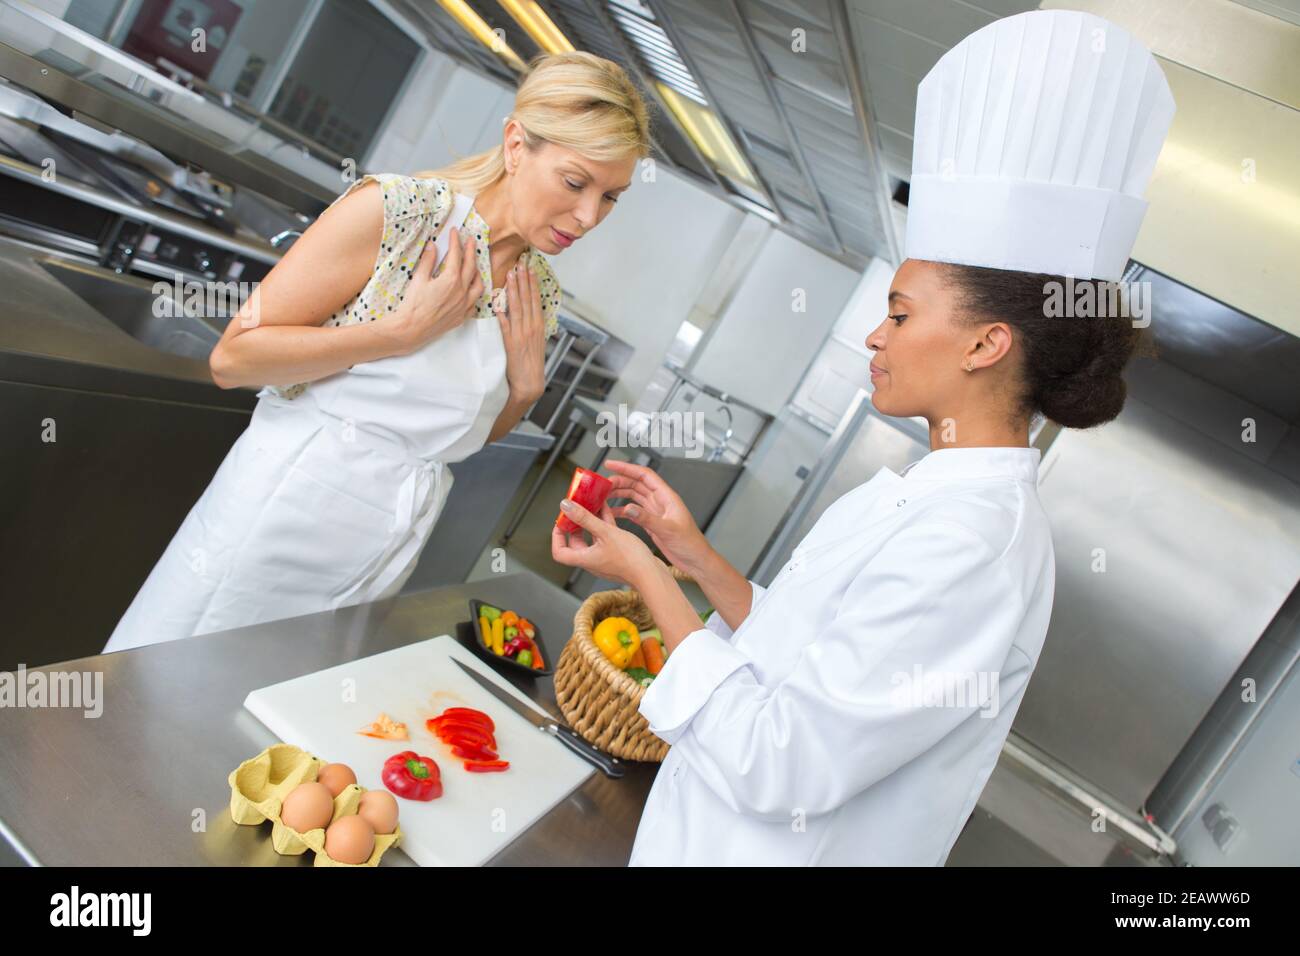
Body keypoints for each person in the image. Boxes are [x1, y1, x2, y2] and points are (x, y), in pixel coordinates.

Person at [551, 9, 1175, 865]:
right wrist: (691, 559)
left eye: (901, 314)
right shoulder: (934, 497)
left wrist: (645, 579)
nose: (875, 337)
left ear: (985, 344)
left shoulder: (972, 544)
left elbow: (786, 762)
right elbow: (806, 664)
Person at [104, 52, 650, 652]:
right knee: (171, 686)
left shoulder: (536, 289)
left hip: (386, 546)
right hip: (282, 516)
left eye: (613, 198)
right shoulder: (398, 214)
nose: (589, 215)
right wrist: (398, 334)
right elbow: (233, 358)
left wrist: (525, 392)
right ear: (517, 145)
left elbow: (457, 435)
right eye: (575, 183)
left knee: (274, 725)